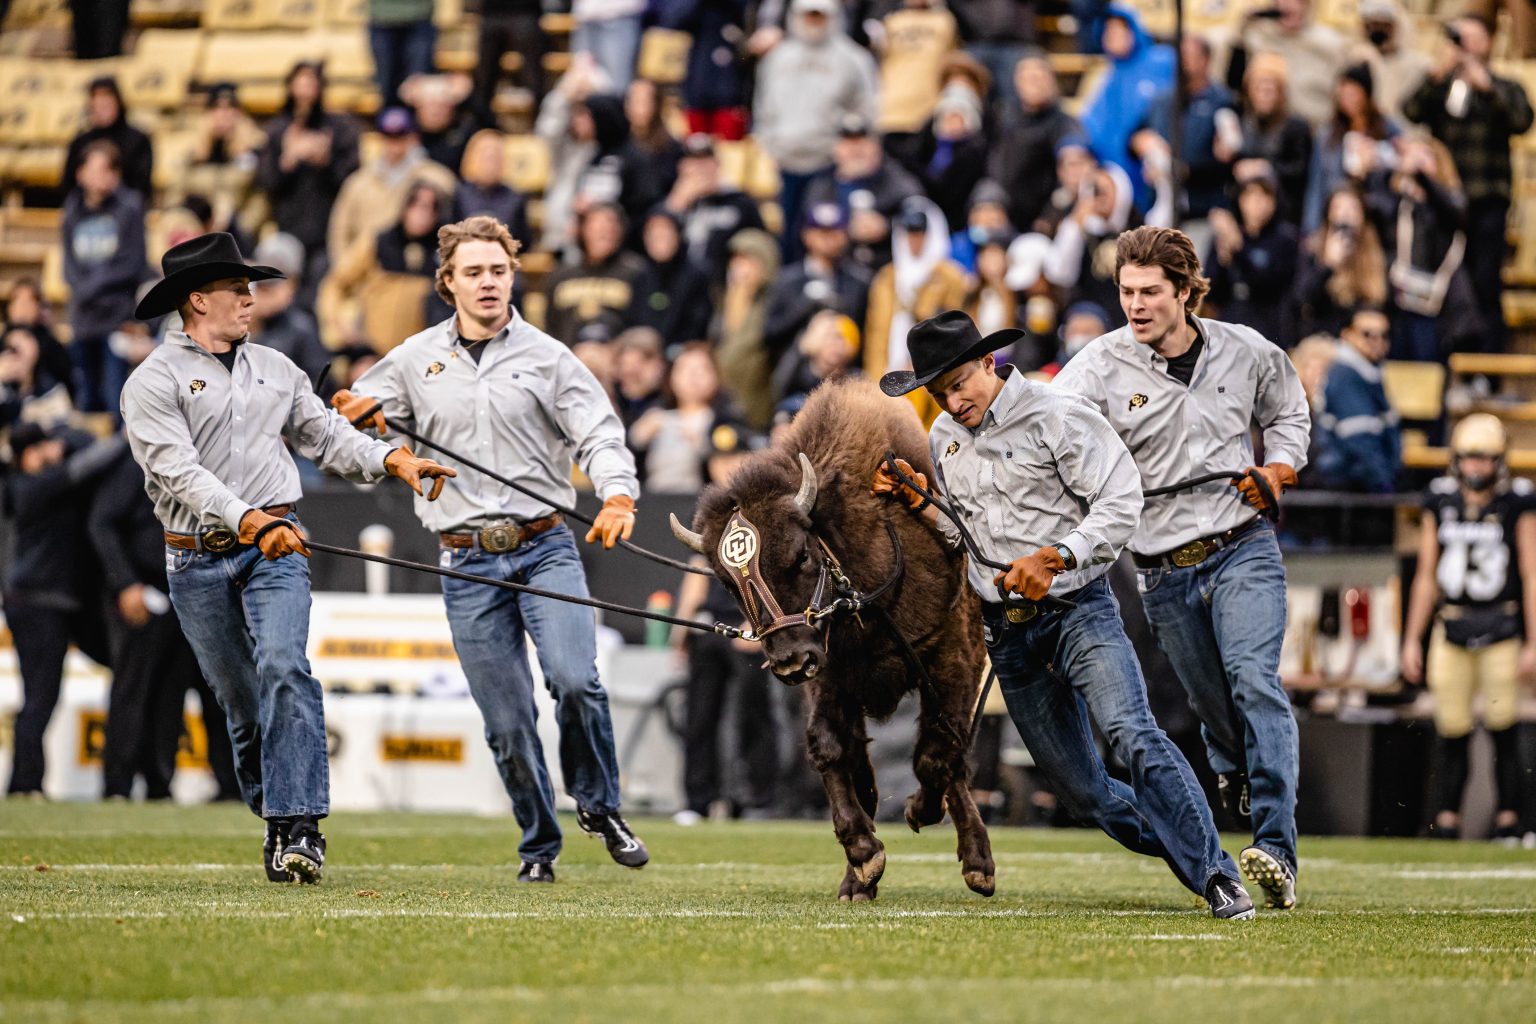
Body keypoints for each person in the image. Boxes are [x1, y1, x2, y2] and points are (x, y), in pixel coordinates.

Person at [873, 309, 1255, 920]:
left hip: (1079, 612)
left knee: (1132, 736)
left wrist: (1055, 557)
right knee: (1086, 795)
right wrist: (921, 502)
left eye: (959, 382)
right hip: (1008, 635)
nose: (952, 399)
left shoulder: (1057, 415)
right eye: (940, 391)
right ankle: (1200, 853)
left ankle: (1214, 876)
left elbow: (1120, 498)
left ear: (987, 363)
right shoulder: (944, 439)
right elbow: (964, 539)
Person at [119, 232, 453, 882]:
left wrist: (393, 460)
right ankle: (278, 812)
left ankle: (300, 828)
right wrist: (245, 520)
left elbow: (326, 435)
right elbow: (180, 473)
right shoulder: (151, 384)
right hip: (197, 558)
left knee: (283, 666)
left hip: (278, 545)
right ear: (197, 301)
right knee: (241, 704)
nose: (251, 299)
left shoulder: (277, 367)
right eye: (237, 289)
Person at [333, 215, 651, 882]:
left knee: (575, 680)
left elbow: (600, 433)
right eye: (473, 272)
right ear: (447, 283)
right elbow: (347, 446)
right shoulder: (414, 359)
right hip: (466, 558)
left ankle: (599, 806)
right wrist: (371, 435)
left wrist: (618, 494)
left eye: (498, 271)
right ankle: (540, 843)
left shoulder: (549, 356)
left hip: (544, 546)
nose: (488, 283)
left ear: (514, 278)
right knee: (506, 721)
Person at [1053, 225, 1310, 912]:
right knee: (1211, 706)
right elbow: (1046, 425)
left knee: (1255, 680)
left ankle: (1278, 847)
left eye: (1149, 293)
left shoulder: (1247, 350)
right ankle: (1235, 766)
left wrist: (1279, 468)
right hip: (1163, 569)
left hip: (1242, 543)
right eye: (1125, 292)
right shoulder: (1097, 369)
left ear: (1187, 291)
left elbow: (1289, 412)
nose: (1134, 305)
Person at [89, 429, 240, 803]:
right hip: (148, 591)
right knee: (134, 689)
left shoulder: (203, 463)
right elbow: (102, 522)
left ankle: (164, 785)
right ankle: (117, 787)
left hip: (192, 592)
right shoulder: (138, 463)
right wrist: (126, 583)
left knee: (181, 692)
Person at [1401, 414, 1532, 842]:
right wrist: (1411, 639)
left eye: (1484, 459)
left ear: (1499, 461)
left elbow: (1531, 573)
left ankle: (1510, 819)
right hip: (1453, 623)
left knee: (1503, 728)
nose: (1476, 468)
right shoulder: (1440, 499)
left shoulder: (1517, 502)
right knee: (1451, 729)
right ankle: (1447, 818)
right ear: (1457, 459)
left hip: (1502, 623)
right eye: (1469, 459)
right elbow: (1425, 575)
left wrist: (1534, 641)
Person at [1401, 16, 1533, 357]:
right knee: (1446, 284)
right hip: (1444, 202)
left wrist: (1487, 87)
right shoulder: (1442, 84)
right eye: (1459, 38)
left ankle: (1487, 367)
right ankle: (1449, 360)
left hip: (1487, 199)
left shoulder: (1504, 84)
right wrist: (1436, 74)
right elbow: (1410, 111)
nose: (1464, 45)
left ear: (1488, 42)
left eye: (1471, 38)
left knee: (1485, 284)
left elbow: (1522, 120)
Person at [670, 415, 778, 823]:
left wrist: (760, 624)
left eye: (734, 457)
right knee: (700, 715)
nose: (725, 466)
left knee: (753, 715)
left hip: (750, 624)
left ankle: (756, 798)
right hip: (710, 622)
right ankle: (697, 800)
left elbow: (771, 574)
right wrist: (683, 628)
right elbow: (696, 571)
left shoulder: (765, 511)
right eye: (718, 458)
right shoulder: (710, 510)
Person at [3, 423, 118, 798]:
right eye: (47, 445)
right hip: (38, 602)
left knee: (43, 693)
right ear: (30, 453)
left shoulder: (34, 485)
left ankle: (27, 781)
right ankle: (25, 783)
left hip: (49, 602)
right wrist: (126, 437)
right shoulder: (32, 486)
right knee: (41, 694)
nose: (56, 449)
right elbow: (85, 464)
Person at [753, 0, 880, 254]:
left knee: (826, 235)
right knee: (785, 237)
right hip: (782, 162)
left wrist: (852, 152)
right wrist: (765, 147)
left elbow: (867, 110)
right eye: (808, 15)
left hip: (828, 164)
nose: (813, 22)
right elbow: (763, 107)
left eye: (819, 16)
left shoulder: (853, 59)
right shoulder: (777, 58)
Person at [61, 140, 148, 416]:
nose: (106, 176)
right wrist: (83, 289)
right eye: (98, 169)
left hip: (117, 317)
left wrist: (92, 286)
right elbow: (69, 264)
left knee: (116, 401)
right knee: (85, 401)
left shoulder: (130, 207)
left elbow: (132, 263)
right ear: (81, 173)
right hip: (83, 317)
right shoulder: (72, 210)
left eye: (111, 170)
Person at [255, 62, 361, 279]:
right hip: (287, 228)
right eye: (300, 84)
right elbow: (265, 182)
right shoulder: (277, 130)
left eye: (310, 84)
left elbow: (353, 180)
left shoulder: (340, 128)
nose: (305, 92)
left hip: (329, 229)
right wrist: (288, 161)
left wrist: (326, 161)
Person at [328, 106, 457, 268]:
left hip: (419, 269)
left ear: (413, 137)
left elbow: (453, 225)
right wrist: (345, 266)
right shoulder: (358, 182)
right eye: (389, 136)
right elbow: (340, 229)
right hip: (367, 269)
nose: (394, 143)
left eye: (401, 135)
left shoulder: (438, 178)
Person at [764, 202, 873, 362]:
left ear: (845, 235)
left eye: (835, 232)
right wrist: (804, 307)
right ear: (806, 235)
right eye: (821, 232)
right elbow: (769, 335)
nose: (828, 239)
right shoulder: (786, 280)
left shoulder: (860, 281)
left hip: (848, 371)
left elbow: (870, 334)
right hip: (795, 374)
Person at [988, 51, 1080, 234]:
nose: (1035, 84)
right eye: (1028, 79)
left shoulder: (1063, 123)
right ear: (1017, 83)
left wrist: (1051, 216)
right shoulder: (1003, 116)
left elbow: (1072, 166)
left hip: (1043, 219)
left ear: (1051, 81)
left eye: (1040, 78)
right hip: (1004, 212)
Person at [1311, 305, 1399, 493]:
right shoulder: (1345, 375)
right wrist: (1384, 485)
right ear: (1346, 335)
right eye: (1367, 334)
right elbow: (1360, 441)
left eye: (1383, 335)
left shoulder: (1370, 374)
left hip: (1357, 482)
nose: (1377, 341)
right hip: (1346, 489)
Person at [1206, 169, 1299, 345]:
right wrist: (1223, 260)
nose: (1257, 204)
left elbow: (1270, 283)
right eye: (1250, 197)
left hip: (1267, 326)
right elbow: (1210, 290)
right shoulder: (1226, 235)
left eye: (1264, 197)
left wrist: (1239, 250)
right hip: (1230, 323)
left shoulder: (1284, 239)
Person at [665, 133, 767, 284]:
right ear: (682, 168)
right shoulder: (673, 202)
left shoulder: (740, 203)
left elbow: (763, 244)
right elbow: (653, 241)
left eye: (706, 162)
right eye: (694, 163)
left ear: (718, 164)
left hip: (722, 285)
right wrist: (675, 205)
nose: (700, 170)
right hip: (679, 286)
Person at [543, 202, 648, 343]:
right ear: (583, 231)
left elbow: (641, 328)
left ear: (620, 232)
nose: (604, 235)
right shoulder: (560, 275)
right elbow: (550, 328)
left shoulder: (636, 273)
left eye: (609, 230)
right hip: (569, 356)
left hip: (618, 358)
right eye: (597, 229)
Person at [1233, 53, 1313, 227]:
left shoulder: (1296, 127)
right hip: (1245, 213)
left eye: (1270, 90)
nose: (1264, 96)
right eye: (1259, 89)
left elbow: (1300, 169)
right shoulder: (1242, 121)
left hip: (1285, 214)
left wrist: (1267, 167)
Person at [626, 206, 714, 349]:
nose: (659, 236)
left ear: (678, 234)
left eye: (665, 230)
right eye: (652, 232)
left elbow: (698, 325)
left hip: (681, 353)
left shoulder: (697, 276)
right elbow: (632, 323)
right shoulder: (640, 277)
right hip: (643, 354)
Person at [62, 76, 152, 200]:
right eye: (97, 102)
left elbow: (141, 187)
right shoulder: (80, 141)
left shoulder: (138, 140)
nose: (102, 107)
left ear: (118, 102)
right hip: (86, 210)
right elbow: (68, 185)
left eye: (107, 101)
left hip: (125, 209)